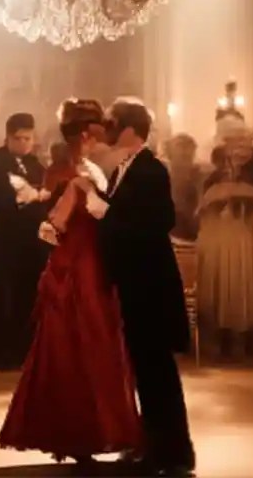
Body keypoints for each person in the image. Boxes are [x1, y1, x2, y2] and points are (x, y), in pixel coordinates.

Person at [0, 100, 141, 464]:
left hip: (91, 262)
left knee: (98, 342)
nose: (103, 136)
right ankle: (78, 435)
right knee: (76, 344)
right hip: (79, 265)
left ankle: (103, 432)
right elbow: (50, 229)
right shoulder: (68, 174)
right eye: (97, 130)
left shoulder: (92, 170)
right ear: (84, 135)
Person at [87, 100, 194, 473]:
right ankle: (153, 444)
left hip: (150, 286)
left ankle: (172, 452)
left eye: (112, 122)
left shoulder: (150, 169)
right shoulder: (127, 168)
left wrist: (105, 213)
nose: (107, 128)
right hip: (135, 284)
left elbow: (157, 221)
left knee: (157, 371)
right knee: (145, 370)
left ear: (130, 128)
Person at [196, 116, 253, 358]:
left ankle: (250, 337)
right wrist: (218, 200)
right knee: (225, 284)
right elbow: (202, 210)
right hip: (221, 239)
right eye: (233, 148)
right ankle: (225, 337)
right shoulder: (212, 178)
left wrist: (252, 201)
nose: (238, 155)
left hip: (247, 237)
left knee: (247, 284)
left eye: (242, 148)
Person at [0, 113, 51, 369]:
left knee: (27, 293)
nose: (24, 143)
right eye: (19, 138)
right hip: (3, 239)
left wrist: (40, 197)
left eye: (29, 138)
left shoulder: (36, 164)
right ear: (7, 137)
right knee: (0, 293)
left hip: (30, 242)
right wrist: (18, 199)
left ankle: (24, 350)